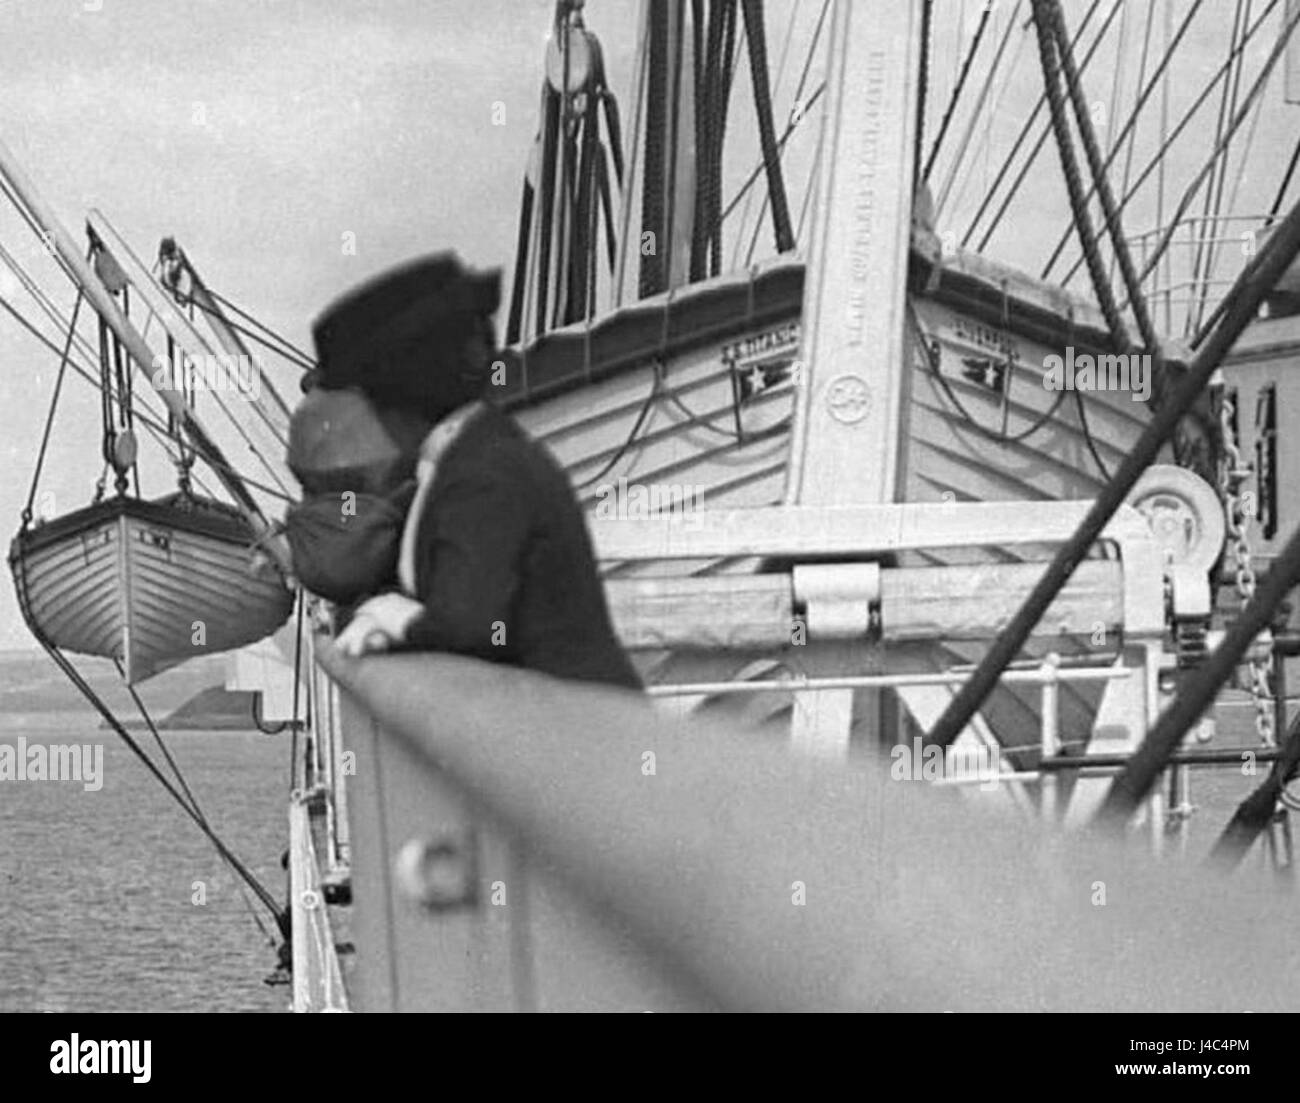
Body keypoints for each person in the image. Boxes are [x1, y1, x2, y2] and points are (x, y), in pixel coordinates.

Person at [285, 252, 641, 691]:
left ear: (401, 395)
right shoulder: (462, 460)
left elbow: (469, 627)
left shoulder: (484, 474)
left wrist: (395, 621)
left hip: (580, 730)